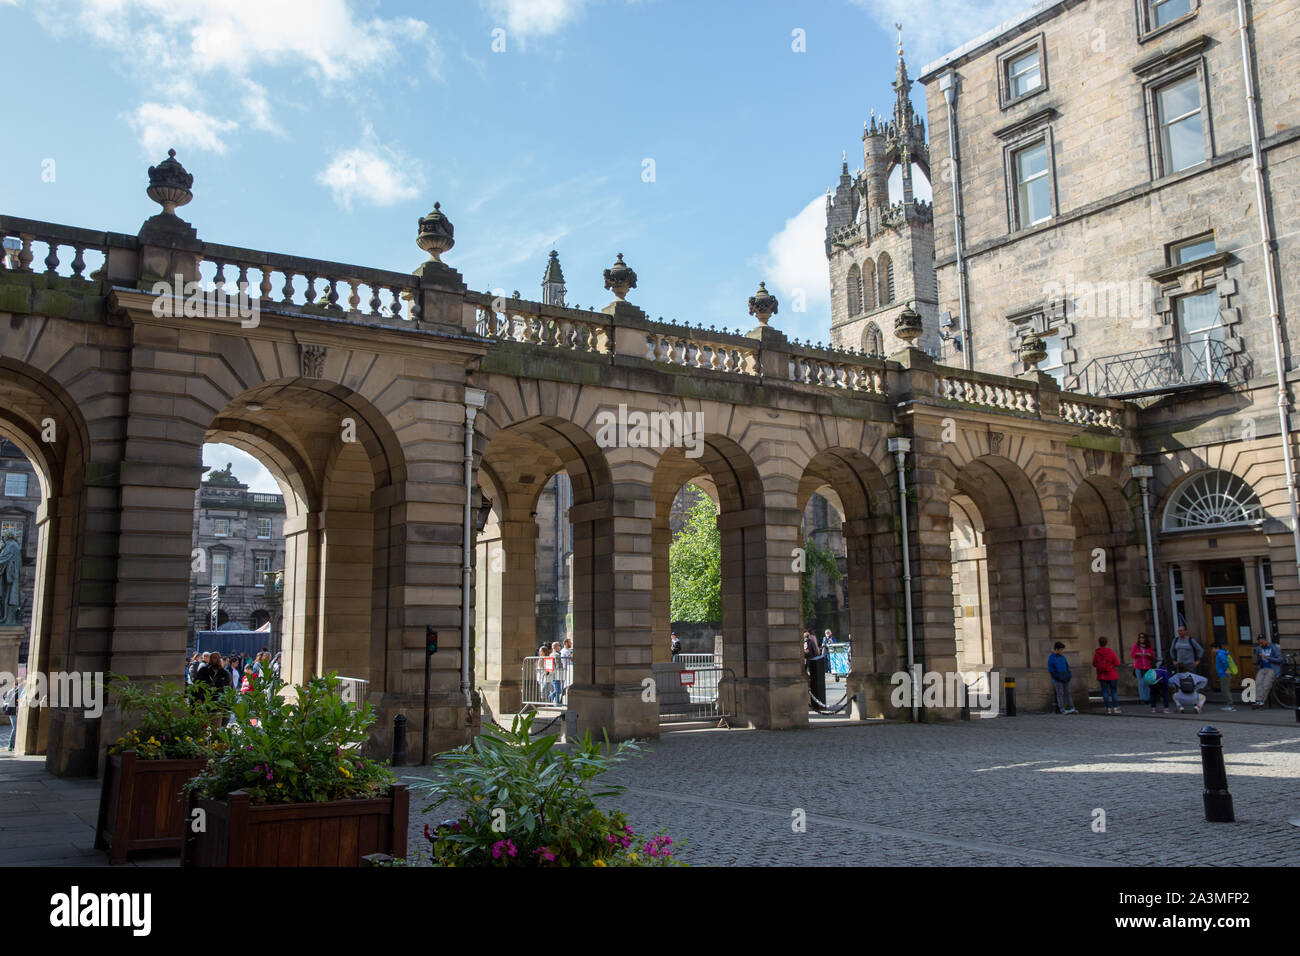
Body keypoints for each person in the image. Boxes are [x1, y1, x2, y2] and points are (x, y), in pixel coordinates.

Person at [1253, 634, 1284, 709]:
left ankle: (1262, 701)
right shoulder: (1258, 648)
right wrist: (1258, 658)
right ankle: (1258, 701)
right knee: (1258, 683)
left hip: (1272, 669)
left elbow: (1280, 659)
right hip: (1262, 668)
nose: (1261, 644)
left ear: (1266, 640)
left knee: (1266, 684)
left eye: (1262, 642)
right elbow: (1256, 662)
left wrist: (1269, 658)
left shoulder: (1274, 647)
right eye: (1260, 643)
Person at [1093, 636, 1121, 714]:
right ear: (1106, 643)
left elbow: (1094, 664)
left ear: (1099, 643)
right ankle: (1115, 708)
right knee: (1114, 692)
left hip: (1102, 675)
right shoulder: (1111, 652)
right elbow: (1117, 663)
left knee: (1105, 692)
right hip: (1112, 675)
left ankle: (1108, 708)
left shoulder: (1097, 653)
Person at [1048, 642, 1076, 714]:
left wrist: (1069, 675)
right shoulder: (1051, 658)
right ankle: (1062, 709)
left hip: (1065, 677)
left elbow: (1067, 666)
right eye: (1061, 649)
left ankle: (1072, 708)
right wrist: (1058, 677)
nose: (1062, 651)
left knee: (1068, 693)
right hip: (1057, 679)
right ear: (1056, 649)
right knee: (1060, 693)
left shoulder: (1063, 657)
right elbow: (1051, 670)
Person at [1130, 633, 1155, 705]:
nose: (1141, 639)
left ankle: (1147, 698)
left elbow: (1152, 656)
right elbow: (1132, 655)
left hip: (1147, 667)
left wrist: (1149, 655)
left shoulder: (1148, 646)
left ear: (1145, 638)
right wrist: (1137, 654)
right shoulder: (1136, 646)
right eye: (1140, 637)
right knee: (1140, 683)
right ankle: (1142, 698)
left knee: (1146, 683)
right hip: (1138, 666)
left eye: (1143, 637)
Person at [803, 631, 826, 707]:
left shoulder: (803, 642)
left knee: (805, 671)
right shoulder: (811, 641)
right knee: (812, 672)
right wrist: (817, 655)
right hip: (812, 659)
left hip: (805, 659)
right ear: (809, 636)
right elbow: (815, 650)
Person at [1212, 642, 1237, 712]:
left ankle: (1231, 705)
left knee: (1225, 690)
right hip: (1223, 674)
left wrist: (1227, 670)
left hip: (1224, 674)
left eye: (1213, 648)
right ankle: (1229, 705)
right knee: (1225, 689)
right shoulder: (1222, 653)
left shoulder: (1220, 654)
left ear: (1217, 648)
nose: (1212, 650)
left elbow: (1224, 662)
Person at [3, 679, 23, 751]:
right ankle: (10, 745)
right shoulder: (12, 691)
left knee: (16, 728)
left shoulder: (19, 691)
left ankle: (14, 745)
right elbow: (6, 702)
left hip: (17, 711)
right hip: (12, 712)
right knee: (15, 728)